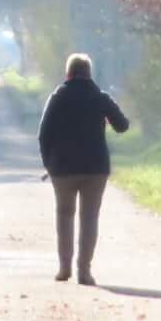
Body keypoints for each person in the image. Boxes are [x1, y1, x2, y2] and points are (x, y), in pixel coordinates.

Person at [36, 52, 129, 284]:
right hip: (95, 168)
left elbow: (43, 134)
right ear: (89, 73)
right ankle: (84, 271)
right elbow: (123, 126)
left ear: (68, 73)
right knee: (89, 218)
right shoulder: (100, 97)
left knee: (64, 214)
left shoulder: (57, 97)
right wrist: (105, 111)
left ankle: (64, 267)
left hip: (63, 168)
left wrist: (49, 163)